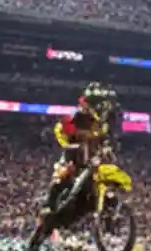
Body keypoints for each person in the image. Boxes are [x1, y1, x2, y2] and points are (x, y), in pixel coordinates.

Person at [34, 82, 118, 237]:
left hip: (91, 162)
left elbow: (106, 140)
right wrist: (74, 140)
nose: (100, 107)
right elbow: (61, 129)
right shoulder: (77, 116)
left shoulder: (101, 123)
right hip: (73, 159)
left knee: (108, 186)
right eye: (97, 103)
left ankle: (109, 223)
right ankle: (49, 206)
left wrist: (108, 148)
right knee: (62, 178)